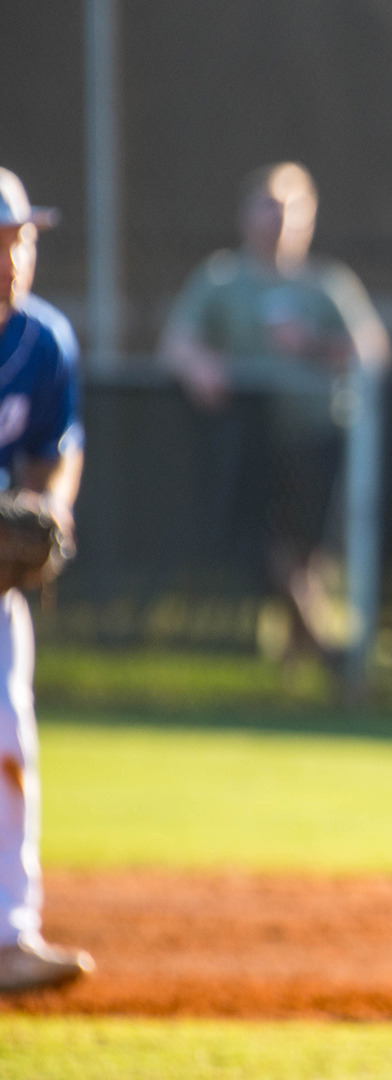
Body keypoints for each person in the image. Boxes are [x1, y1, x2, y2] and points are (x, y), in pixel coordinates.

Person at [158, 162, 389, 656]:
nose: (278, 220)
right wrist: (201, 366)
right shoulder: (221, 279)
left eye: (289, 209)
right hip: (248, 441)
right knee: (263, 545)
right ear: (246, 215)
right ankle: (322, 647)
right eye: (267, 206)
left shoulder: (326, 283)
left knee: (307, 554)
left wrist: (313, 346)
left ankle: (304, 658)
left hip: (316, 436)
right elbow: (177, 341)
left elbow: (370, 352)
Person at [0, 168, 91, 993]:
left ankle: (8, 936)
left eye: (19, 237)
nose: (12, 255)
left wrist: (50, 511)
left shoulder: (42, 340)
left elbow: (58, 452)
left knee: (8, 746)